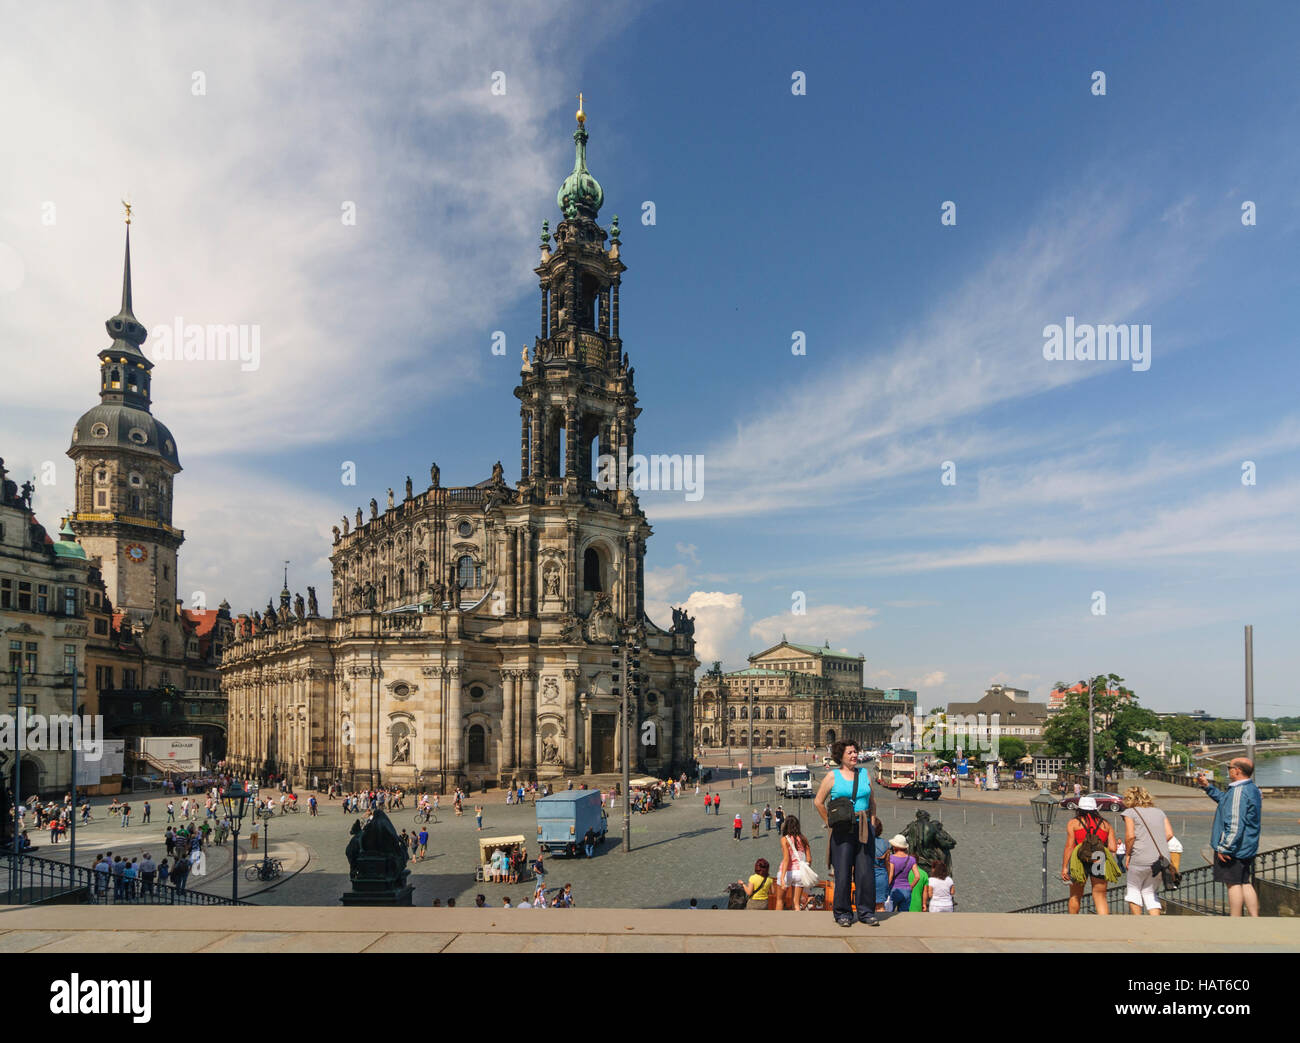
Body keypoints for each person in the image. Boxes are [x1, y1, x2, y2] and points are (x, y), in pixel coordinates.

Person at [814, 739, 879, 928]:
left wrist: (872, 823)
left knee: (865, 872)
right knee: (843, 874)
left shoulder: (864, 773)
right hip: (842, 830)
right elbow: (818, 802)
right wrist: (829, 823)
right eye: (850, 752)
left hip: (864, 828)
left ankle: (866, 912)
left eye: (855, 752)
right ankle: (842, 913)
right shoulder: (832, 776)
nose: (854, 755)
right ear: (841, 756)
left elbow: (872, 801)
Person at [1198, 758, 1262, 917]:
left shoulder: (1239, 791)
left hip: (1234, 849)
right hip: (1247, 846)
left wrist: (1225, 847)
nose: (1228, 770)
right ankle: (1255, 918)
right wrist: (1207, 787)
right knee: (1245, 882)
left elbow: (1235, 823)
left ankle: (1235, 920)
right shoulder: (1253, 789)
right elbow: (1225, 801)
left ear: (1237, 770)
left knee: (1233, 884)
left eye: (1229, 767)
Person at [1121, 786, 1175, 916]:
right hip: (1160, 860)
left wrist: (1127, 854)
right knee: (1150, 893)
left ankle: (1139, 924)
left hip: (1140, 857)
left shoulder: (1130, 813)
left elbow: (1130, 836)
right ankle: (1154, 924)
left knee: (1134, 891)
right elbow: (1169, 834)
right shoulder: (1159, 812)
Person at [1061, 795, 1119, 914]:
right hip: (1099, 859)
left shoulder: (1074, 823)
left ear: (1079, 809)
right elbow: (1113, 848)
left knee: (1075, 895)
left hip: (1079, 860)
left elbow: (1069, 846)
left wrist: (1064, 867)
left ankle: (1073, 924)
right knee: (1100, 895)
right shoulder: (1106, 824)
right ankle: (1103, 926)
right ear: (1095, 809)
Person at [775, 815, 815, 911]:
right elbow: (809, 859)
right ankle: (797, 923)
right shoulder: (804, 839)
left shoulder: (785, 839)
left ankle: (777, 923)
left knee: (780, 900)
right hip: (800, 873)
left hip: (787, 872)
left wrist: (782, 878)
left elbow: (786, 859)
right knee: (796, 903)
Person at [885, 835, 916, 912]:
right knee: (904, 914)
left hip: (894, 889)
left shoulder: (892, 858)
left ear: (895, 846)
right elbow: (917, 876)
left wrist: (885, 888)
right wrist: (911, 886)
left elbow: (891, 875)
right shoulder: (911, 859)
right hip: (906, 890)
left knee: (889, 912)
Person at [871, 815, 889, 912]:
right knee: (880, 905)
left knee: (866, 904)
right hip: (881, 875)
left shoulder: (864, 842)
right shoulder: (885, 843)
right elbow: (887, 864)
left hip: (867, 874)